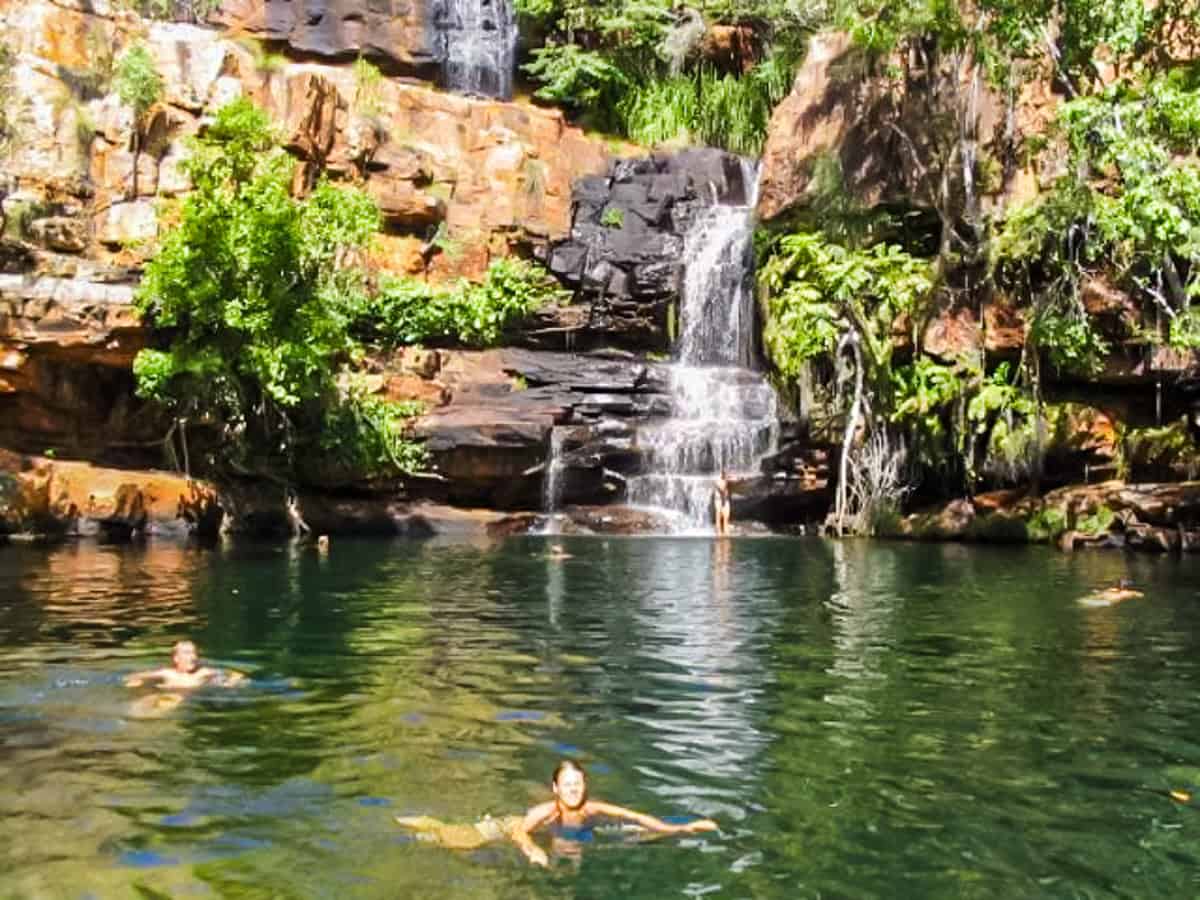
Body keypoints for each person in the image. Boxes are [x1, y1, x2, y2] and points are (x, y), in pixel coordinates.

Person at [512, 760, 718, 867]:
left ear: (585, 786)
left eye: (577, 783)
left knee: (640, 833)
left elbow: (636, 817)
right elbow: (519, 832)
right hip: (520, 826)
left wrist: (679, 828)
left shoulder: (592, 808)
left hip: (573, 836)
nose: (573, 789)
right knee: (561, 850)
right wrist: (532, 850)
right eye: (567, 784)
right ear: (555, 788)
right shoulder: (546, 812)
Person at [124, 640, 246, 690]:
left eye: (194, 653)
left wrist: (231, 682)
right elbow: (131, 677)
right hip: (164, 695)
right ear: (176, 658)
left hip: (179, 700)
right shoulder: (168, 673)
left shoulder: (202, 673)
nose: (193, 657)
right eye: (187, 653)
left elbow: (235, 674)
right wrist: (136, 682)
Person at [713, 471, 731, 536]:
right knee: (718, 515)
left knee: (726, 516)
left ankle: (726, 532)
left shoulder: (726, 479)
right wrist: (726, 481)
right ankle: (719, 532)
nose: (727, 475)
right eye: (726, 474)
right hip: (718, 500)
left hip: (725, 500)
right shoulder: (718, 480)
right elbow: (721, 489)